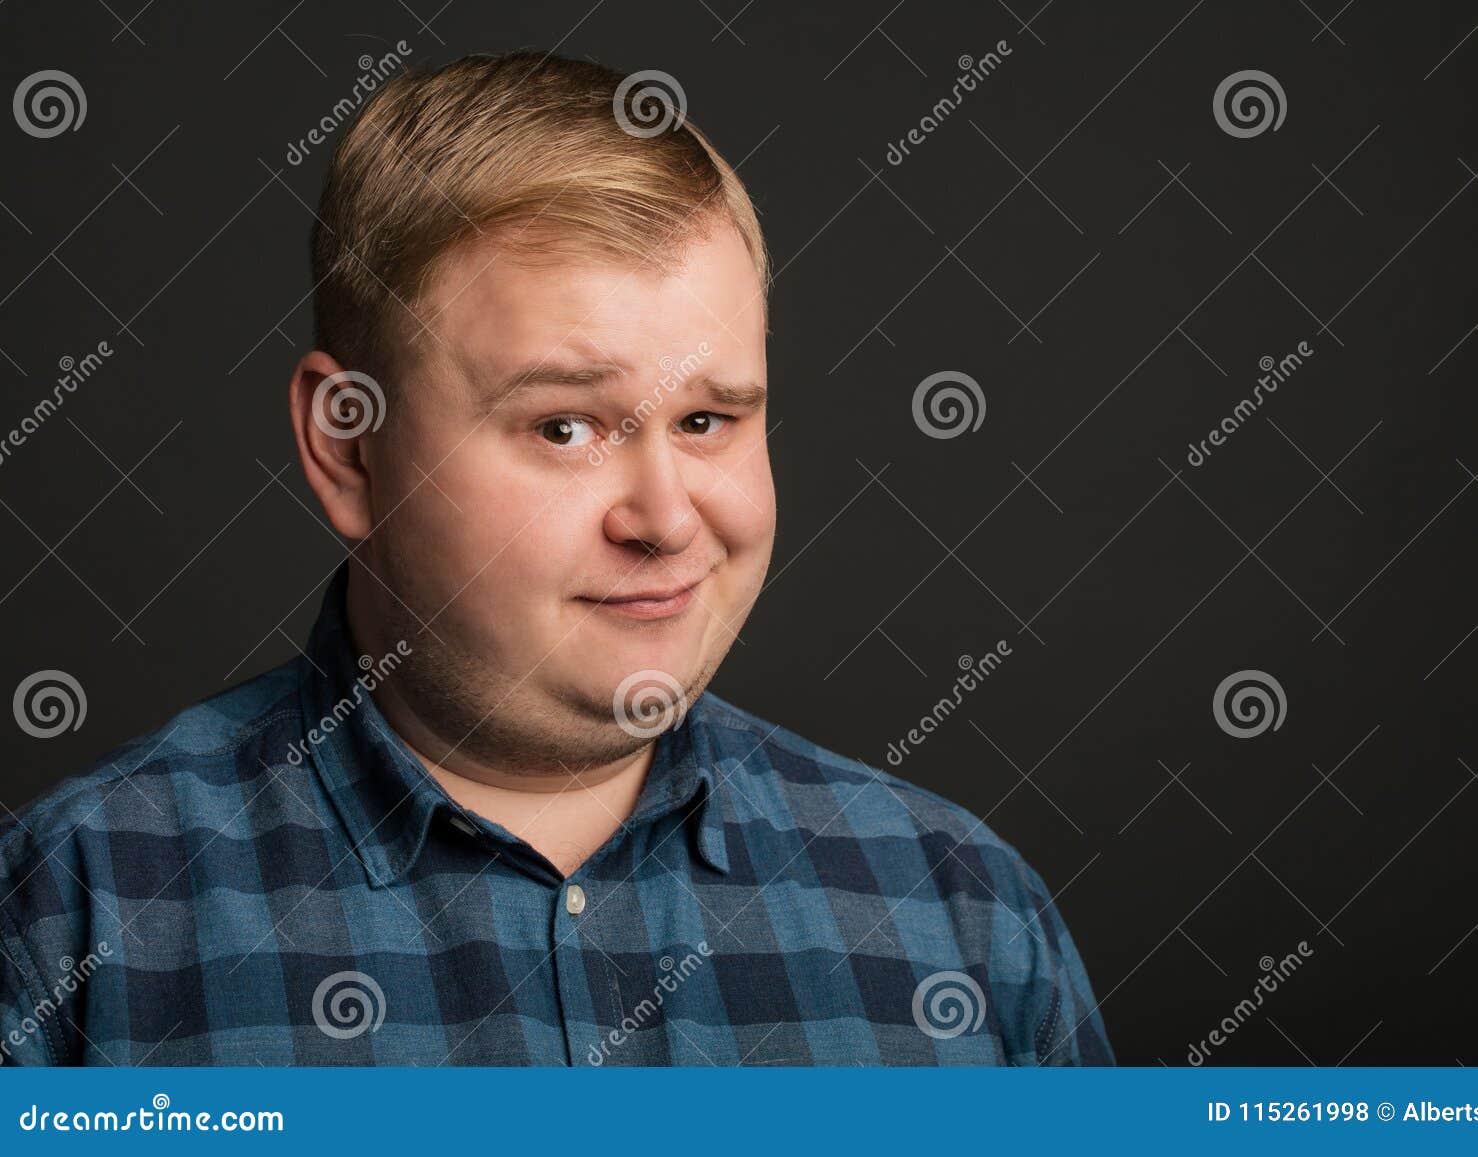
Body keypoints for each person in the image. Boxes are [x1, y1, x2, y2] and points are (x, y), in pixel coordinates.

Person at [0, 49, 1112, 1066]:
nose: (665, 519)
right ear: (348, 448)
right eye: (565, 427)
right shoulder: (73, 920)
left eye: (707, 420)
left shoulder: (964, 920)